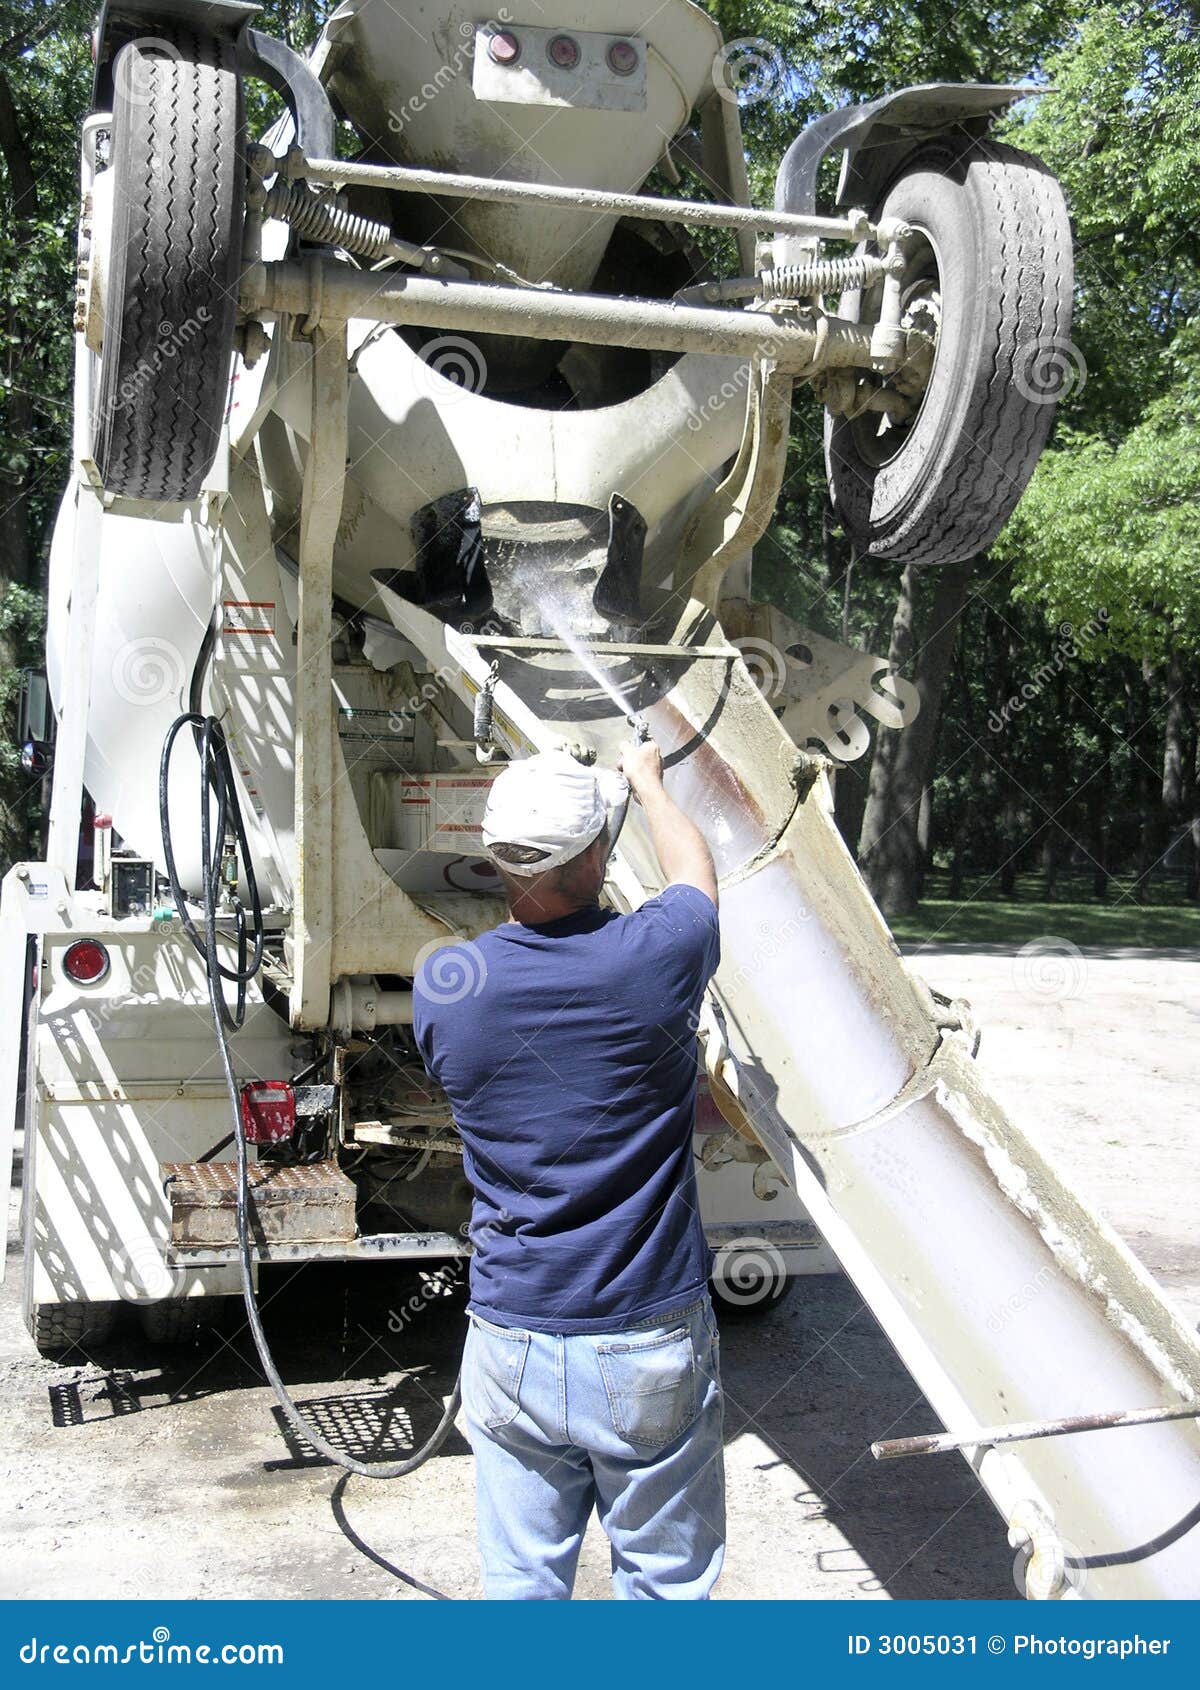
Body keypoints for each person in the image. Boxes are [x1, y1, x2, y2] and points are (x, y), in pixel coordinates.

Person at [413, 739, 724, 1600]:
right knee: (663, 1585)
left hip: (510, 1336)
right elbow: (695, 877)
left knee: (520, 1586)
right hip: (643, 1338)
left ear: (496, 857)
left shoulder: (444, 982)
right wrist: (650, 786)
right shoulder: (653, 960)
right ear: (596, 855)